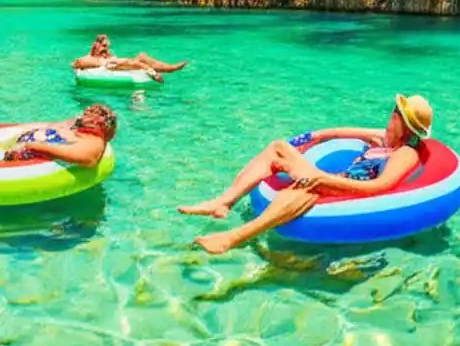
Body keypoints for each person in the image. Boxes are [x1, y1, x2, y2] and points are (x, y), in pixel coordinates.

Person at [179, 94, 434, 254]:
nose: (392, 113)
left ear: (406, 125)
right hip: (338, 177)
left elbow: (381, 186)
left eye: (397, 112)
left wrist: (324, 180)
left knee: (303, 187)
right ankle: (224, 202)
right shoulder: (383, 137)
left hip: (349, 191)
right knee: (278, 147)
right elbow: (335, 133)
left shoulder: (404, 153)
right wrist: (312, 139)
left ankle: (231, 238)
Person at [71, 34, 188, 80]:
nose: (106, 49)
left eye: (107, 46)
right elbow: (76, 64)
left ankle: (170, 68)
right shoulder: (90, 59)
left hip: (121, 65)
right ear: (96, 45)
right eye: (104, 46)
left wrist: (107, 55)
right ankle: (159, 71)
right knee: (122, 63)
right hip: (115, 66)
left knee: (142, 56)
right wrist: (151, 71)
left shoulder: (106, 55)